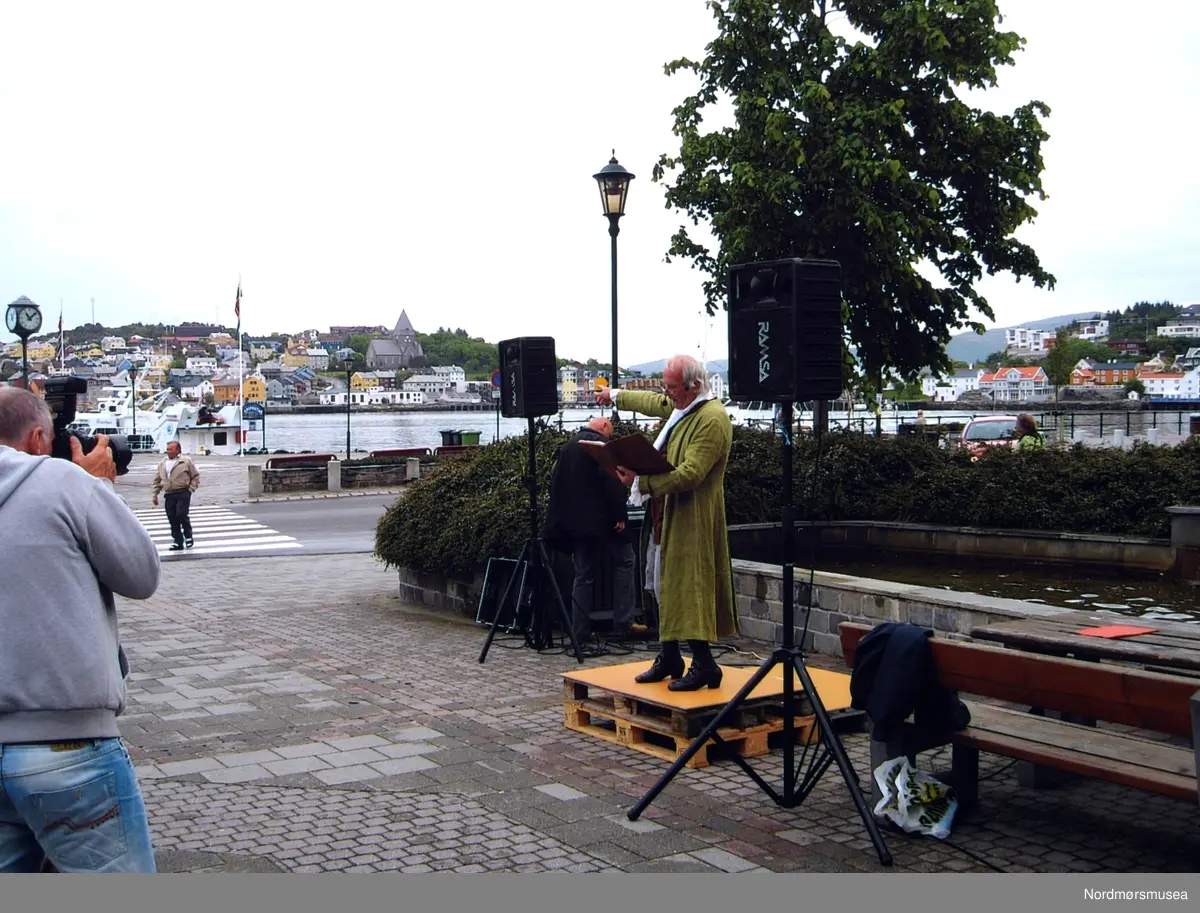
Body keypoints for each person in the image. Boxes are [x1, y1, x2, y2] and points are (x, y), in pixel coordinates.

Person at [0, 386, 161, 873]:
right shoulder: (63, 483)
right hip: (67, 745)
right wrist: (95, 486)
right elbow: (141, 575)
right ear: (35, 439)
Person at [596, 355, 739, 691]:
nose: (668, 394)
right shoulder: (684, 406)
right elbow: (654, 401)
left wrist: (640, 484)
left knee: (687, 587)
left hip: (692, 516)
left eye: (673, 388)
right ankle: (670, 656)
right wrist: (615, 395)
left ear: (693, 386)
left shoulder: (712, 419)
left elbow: (691, 474)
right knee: (661, 585)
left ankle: (705, 665)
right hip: (665, 512)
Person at [542, 417, 645, 652]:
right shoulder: (602, 447)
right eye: (611, 431)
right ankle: (623, 623)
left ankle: (579, 632)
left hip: (576, 526)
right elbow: (612, 481)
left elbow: (557, 486)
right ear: (604, 427)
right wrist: (620, 515)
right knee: (625, 562)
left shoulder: (568, 447)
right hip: (604, 522)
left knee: (583, 575)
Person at [152, 441, 200, 550]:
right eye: (168, 449)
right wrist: (155, 494)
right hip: (169, 493)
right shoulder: (163, 463)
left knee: (181, 514)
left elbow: (195, 476)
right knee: (172, 518)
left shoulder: (186, 461)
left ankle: (188, 536)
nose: (168, 451)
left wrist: (190, 489)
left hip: (183, 492)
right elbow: (157, 480)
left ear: (178, 450)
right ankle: (178, 541)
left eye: (171, 449)